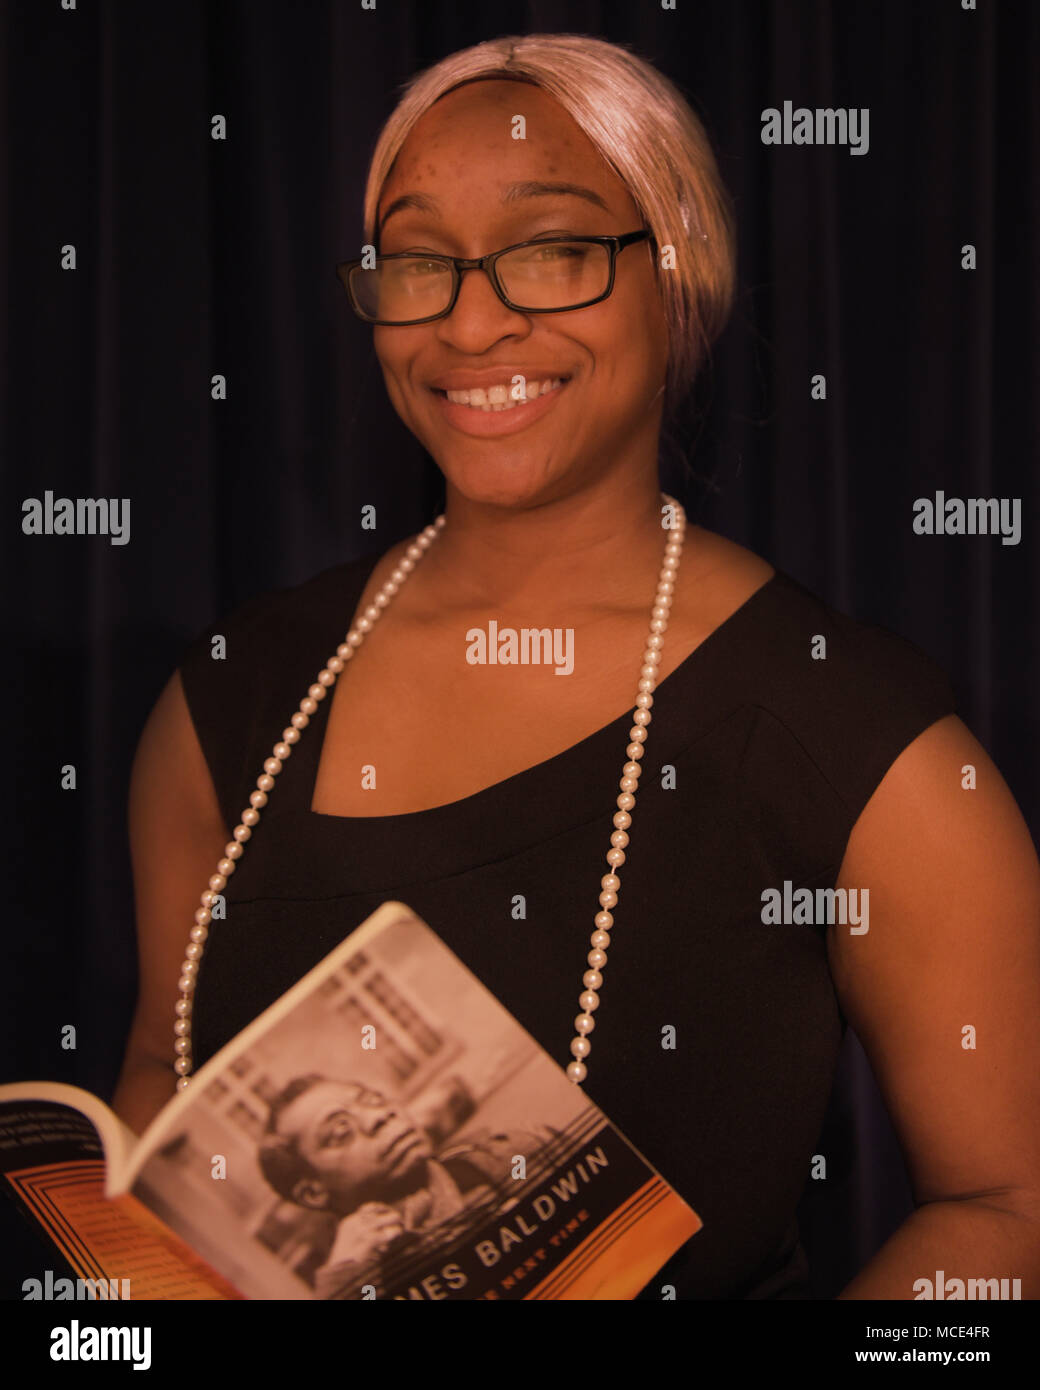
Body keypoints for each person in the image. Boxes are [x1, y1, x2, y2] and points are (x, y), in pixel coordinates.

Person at [112, 34, 1040, 1298]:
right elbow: (163, 1106)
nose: (472, 318)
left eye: (550, 249)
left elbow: (1007, 1205)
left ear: (678, 274)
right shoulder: (226, 705)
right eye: (419, 259)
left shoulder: (857, 742)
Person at [256, 1075, 555, 1298]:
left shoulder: (516, 1154)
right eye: (341, 1131)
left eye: (374, 1100)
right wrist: (344, 1281)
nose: (379, 1116)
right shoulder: (358, 1282)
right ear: (313, 1192)